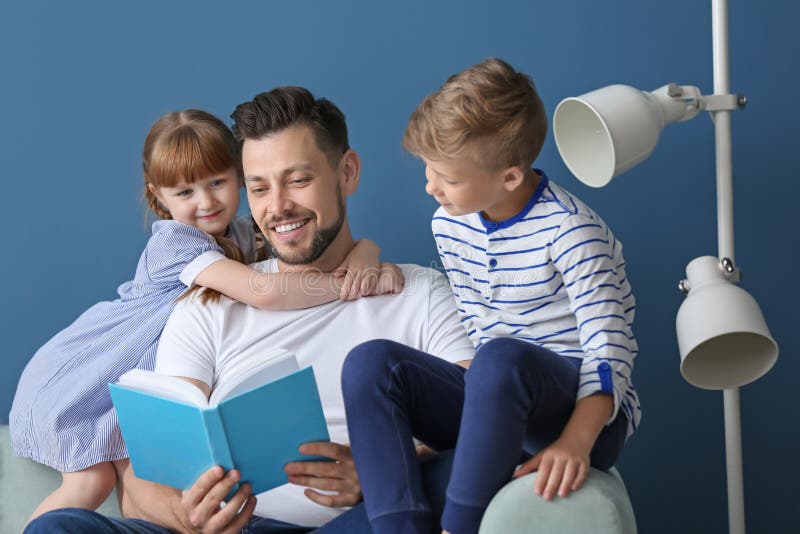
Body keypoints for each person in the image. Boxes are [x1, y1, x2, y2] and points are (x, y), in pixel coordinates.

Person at [25, 87, 475, 534]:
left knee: (454, 466)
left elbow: (482, 414)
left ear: (348, 172)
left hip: (359, 517)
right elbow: (147, 478)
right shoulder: (208, 296)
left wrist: (381, 468)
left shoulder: (419, 291)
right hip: (225, 528)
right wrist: (192, 516)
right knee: (60, 528)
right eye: (259, 187)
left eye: (298, 180)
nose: (277, 207)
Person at [341, 57, 643, 534]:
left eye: (449, 178)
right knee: (370, 363)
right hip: (493, 397)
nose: (431, 187)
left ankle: (458, 527)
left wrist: (575, 442)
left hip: (579, 414)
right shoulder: (449, 222)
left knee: (500, 360)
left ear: (509, 176)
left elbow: (610, 351)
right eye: (428, 169)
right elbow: (478, 327)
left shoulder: (571, 231)